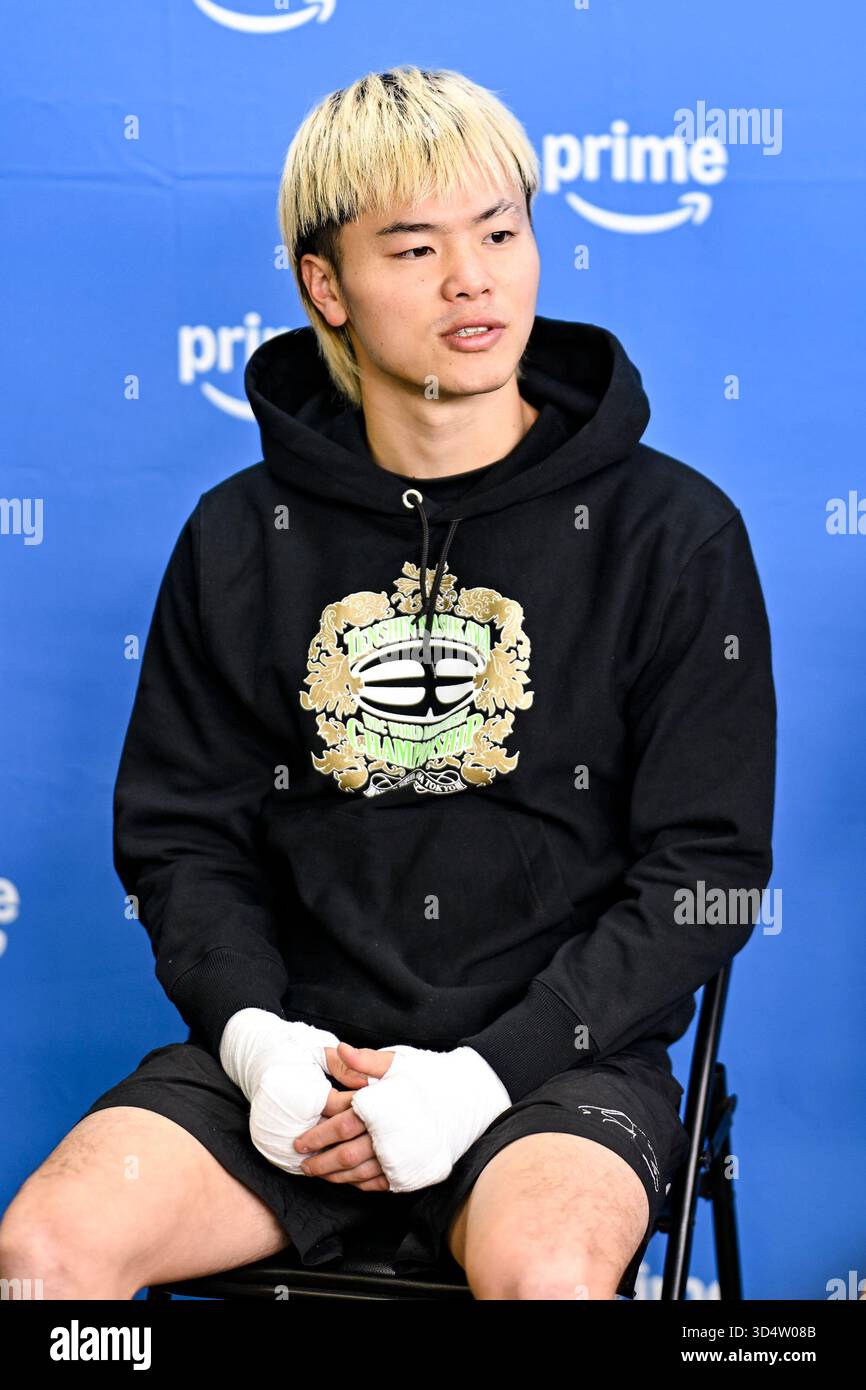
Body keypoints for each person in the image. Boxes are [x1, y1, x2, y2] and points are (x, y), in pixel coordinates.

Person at [0, 65, 776, 1301]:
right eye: (413, 247)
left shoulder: (673, 534)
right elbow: (182, 844)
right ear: (326, 285)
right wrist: (260, 1046)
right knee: (45, 1261)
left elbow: (706, 877)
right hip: (297, 1070)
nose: (471, 278)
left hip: (552, 1072)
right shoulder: (234, 537)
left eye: (500, 233)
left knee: (546, 1275)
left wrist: (481, 1075)